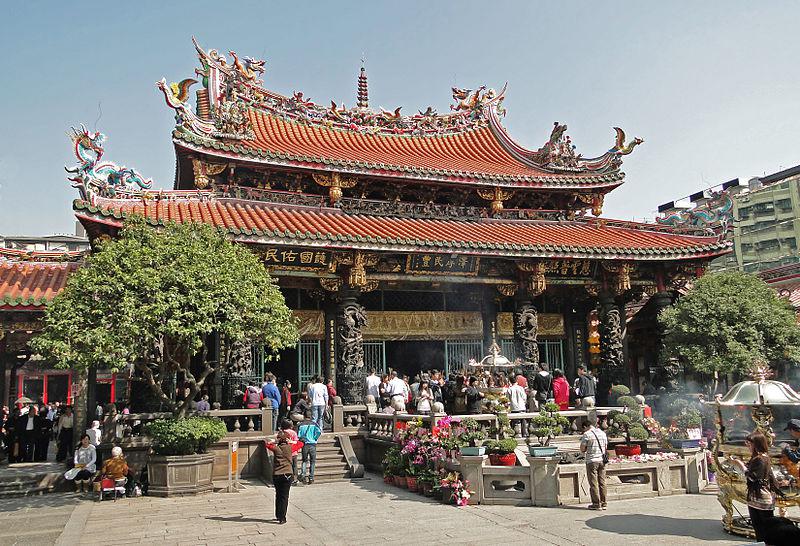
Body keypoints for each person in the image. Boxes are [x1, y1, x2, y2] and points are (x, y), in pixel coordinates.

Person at [731, 431, 782, 543]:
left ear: (757, 444)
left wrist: (740, 465)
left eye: (750, 444)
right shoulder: (762, 457)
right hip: (757, 499)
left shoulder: (760, 459)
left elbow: (752, 477)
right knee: (762, 530)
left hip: (761, 500)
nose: (748, 446)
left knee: (763, 530)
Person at [266, 431, 293, 524]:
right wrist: (291, 442)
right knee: (284, 496)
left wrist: (274, 441)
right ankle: (282, 517)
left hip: (277, 474)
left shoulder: (276, 449)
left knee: (278, 495)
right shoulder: (290, 448)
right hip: (288, 474)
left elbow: (267, 444)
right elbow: (301, 443)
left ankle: (278, 515)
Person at [580, 420, 608, 510]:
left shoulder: (587, 434)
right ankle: (604, 503)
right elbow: (606, 447)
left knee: (593, 483)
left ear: (585, 427)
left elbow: (582, 449)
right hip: (602, 461)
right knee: (602, 482)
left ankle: (596, 503)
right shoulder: (602, 433)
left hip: (592, 461)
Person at [297, 415, 322, 484]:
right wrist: (315, 438)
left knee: (304, 461)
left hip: (304, 445)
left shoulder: (301, 425)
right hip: (312, 444)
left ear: (304, 417)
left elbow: (299, 436)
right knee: (312, 462)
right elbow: (319, 432)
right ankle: (311, 478)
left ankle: (303, 476)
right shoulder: (314, 424)